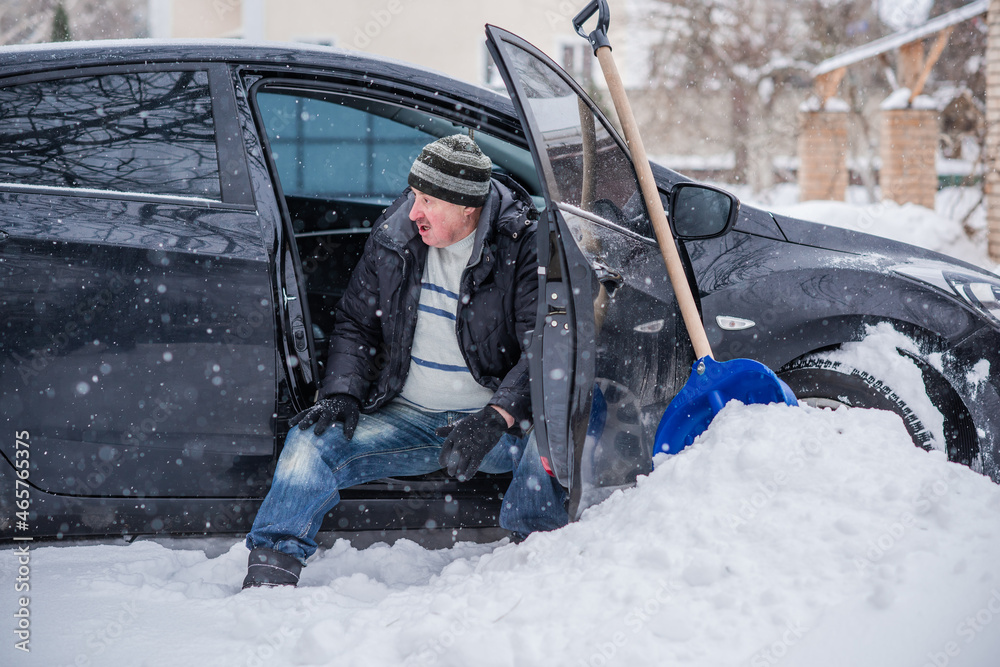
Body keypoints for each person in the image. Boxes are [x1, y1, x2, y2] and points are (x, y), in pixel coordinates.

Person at [243, 134, 568, 588]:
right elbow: (356, 323)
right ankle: (270, 573)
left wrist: (498, 415)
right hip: (410, 417)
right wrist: (342, 392)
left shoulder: (524, 245)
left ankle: (533, 562)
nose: (413, 210)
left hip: (494, 426)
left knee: (561, 426)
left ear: (467, 208)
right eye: (415, 195)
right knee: (311, 438)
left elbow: (547, 346)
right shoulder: (396, 235)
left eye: (428, 200)